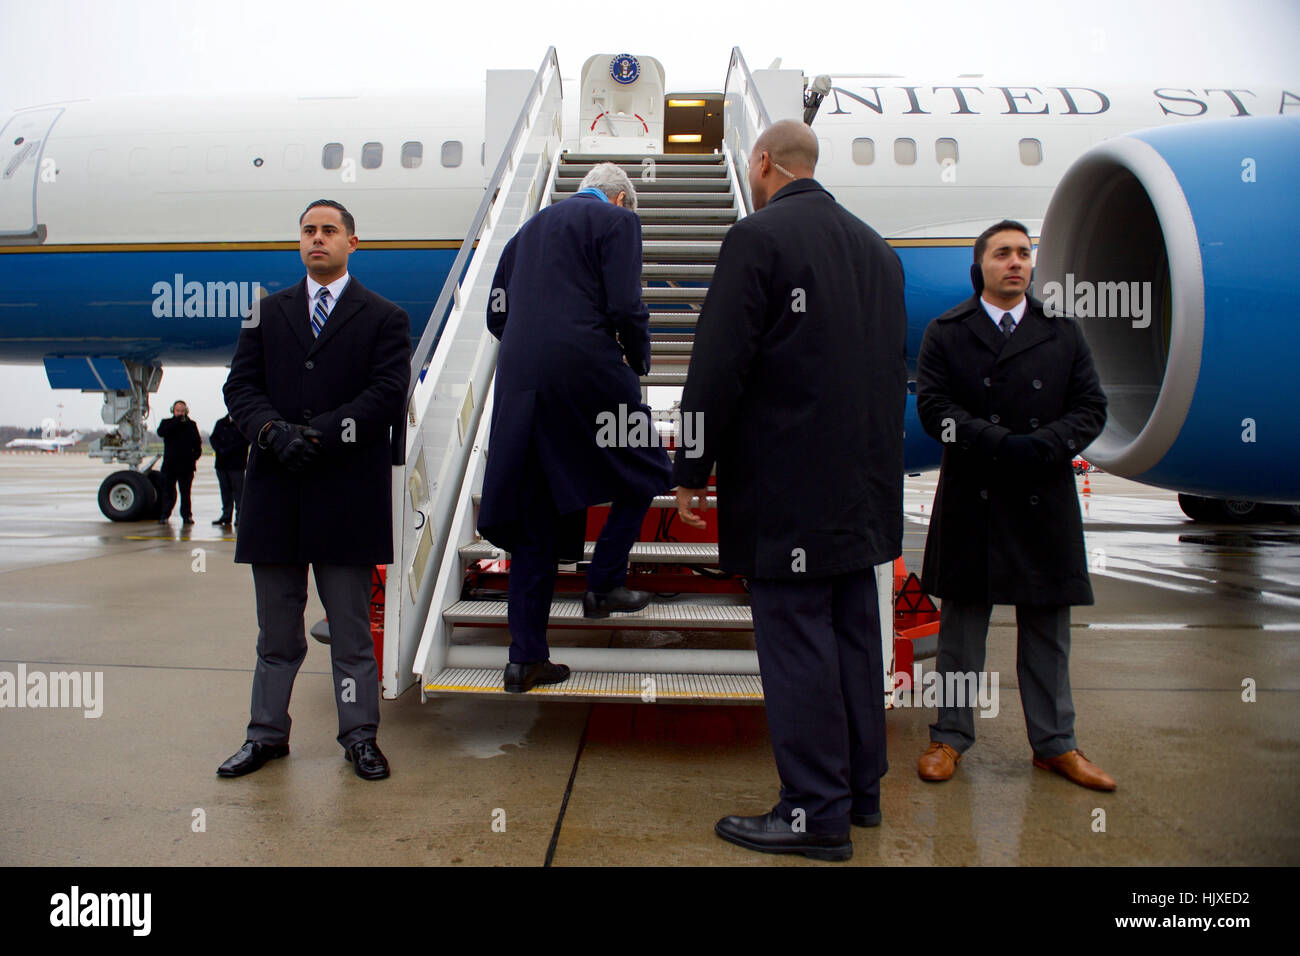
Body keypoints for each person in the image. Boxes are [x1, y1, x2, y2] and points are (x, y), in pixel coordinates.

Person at [674, 119, 907, 861]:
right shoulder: (879, 251)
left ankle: (813, 813)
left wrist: (691, 468)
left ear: (764, 163)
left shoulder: (759, 238)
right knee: (852, 639)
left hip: (790, 492)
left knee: (799, 645)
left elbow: (717, 366)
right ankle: (859, 793)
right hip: (862, 491)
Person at [914, 218, 1115, 790]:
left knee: (1048, 632)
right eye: (1003, 253)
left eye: (1024, 253)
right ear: (980, 265)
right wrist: (999, 442)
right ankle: (948, 738)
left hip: (1041, 497)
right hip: (972, 498)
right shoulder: (946, 332)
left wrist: (1045, 445)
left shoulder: (1062, 332)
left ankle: (1056, 745)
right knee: (960, 635)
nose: (1016, 262)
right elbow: (935, 410)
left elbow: (1091, 407)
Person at [219, 198, 410, 781]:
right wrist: (273, 432)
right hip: (276, 495)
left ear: (353, 242)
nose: (317, 239)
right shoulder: (264, 313)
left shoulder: (384, 317)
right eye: (308, 231)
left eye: (329, 230)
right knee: (277, 633)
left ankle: (359, 737)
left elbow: (386, 394)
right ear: (299, 242)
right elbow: (240, 388)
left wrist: (321, 435)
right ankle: (266, 735)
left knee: (350, 632)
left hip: (345, 496)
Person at [478, 162, 671, 694]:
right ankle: (604, 583)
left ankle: (526, 660)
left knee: (534, 521)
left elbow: (497, 315)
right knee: (648, 468)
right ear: (621, 199)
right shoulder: (617, 222)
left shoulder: (524, 233)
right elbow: (626, 304)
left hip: (521, 387)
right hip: (587, 374)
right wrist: (637, 359)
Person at [156, 400, 201, 524]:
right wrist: (176, 421)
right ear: (173, 411)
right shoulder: (167, 423)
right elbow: (161, 433)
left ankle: (187, 516)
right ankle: (165, 515)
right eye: (177, 411)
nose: (180, 413)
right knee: (168, 492)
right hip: (170, 466)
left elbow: (197, 443)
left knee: (185, 494)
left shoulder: (191, 425)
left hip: (186, 466)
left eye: (182, 411)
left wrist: (194, 457)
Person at [209, 412, 249, 526]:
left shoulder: (242, 422)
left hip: (237, 464)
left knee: (239, 492)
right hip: (222, 463)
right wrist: (220, 449)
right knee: (225, 491)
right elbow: (213, 438)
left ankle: (240, 517)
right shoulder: (221, 423)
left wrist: (230, 449)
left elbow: (246, 440)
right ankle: (226, 515)